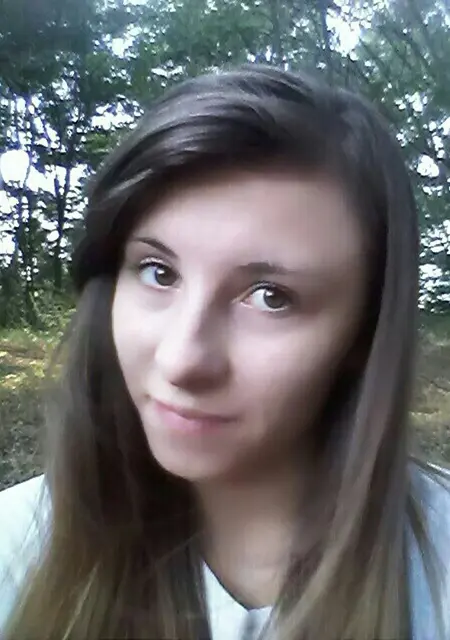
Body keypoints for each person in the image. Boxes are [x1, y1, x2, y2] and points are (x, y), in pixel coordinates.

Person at [0, 64, 449, 640]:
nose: (182, 359)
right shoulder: (18, 548)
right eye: (158, 272)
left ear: (364, 334)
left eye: (271, 297)